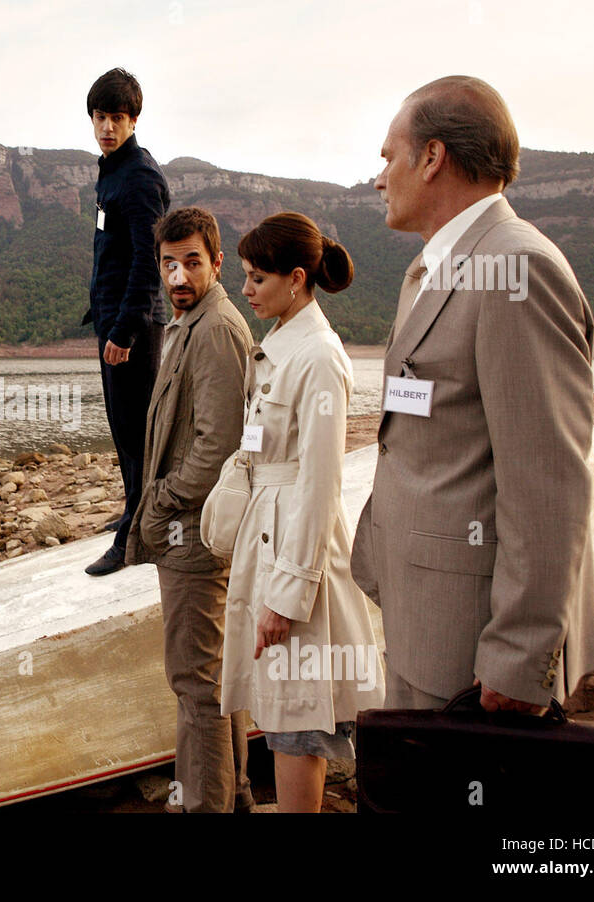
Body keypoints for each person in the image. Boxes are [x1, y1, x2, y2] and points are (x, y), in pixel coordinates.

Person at [349, 76, 594, 715]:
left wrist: (519, 658)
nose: (378, 178)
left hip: (472, 646)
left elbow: (548, 484)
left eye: (387, 156)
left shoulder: (517, 269)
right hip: (424, 616)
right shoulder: (431, 267)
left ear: (431, 158)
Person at [219, 212, 385, 813]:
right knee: (283, 705)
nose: (245, 289)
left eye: (256, 278)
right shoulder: (281, 348)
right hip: (269, 535)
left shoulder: (318, 357)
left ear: (295, 279)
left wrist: (287, 597)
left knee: (298, 716)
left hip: (294, 544)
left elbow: (321, 485)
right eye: (243, 275)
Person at [125, 207, 256, 812]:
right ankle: (235, 795)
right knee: (212, 679)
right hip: (185, 529)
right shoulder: (188, 323)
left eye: (192, 262)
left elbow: (219, 445)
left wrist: (162, 499)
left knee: (194, 685)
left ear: (217, 262)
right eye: (168, 264)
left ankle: (209, 804)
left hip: (194, 536)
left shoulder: (215, 329)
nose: (179, 275)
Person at [81, 67, 170, 577]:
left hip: (131, 326)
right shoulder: (110, 170)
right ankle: (133, 511)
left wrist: (124, 330)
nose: (107, 126)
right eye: (100, 117)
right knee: (122, 427)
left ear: (133, 119)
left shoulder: (138, 176)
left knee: (137, 430)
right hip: (111, 320)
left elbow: (146, 259)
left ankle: (135, 536)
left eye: (117, 118)